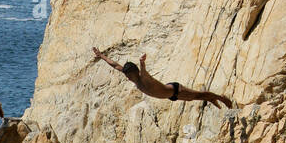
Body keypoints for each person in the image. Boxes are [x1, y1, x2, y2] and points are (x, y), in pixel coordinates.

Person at [93, 48, 232, 108]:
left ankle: (222, 98)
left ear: (135, 72)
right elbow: (114, 65)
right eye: (127, 75)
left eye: (129, 75)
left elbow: (143, 70)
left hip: (175, 89)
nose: (128, 78)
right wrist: (101, 56)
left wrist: (142, 61)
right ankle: (212, 98)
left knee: (197, 95)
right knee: (194, 98)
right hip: (170, 96)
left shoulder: (143, 78)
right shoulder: (132, 76)